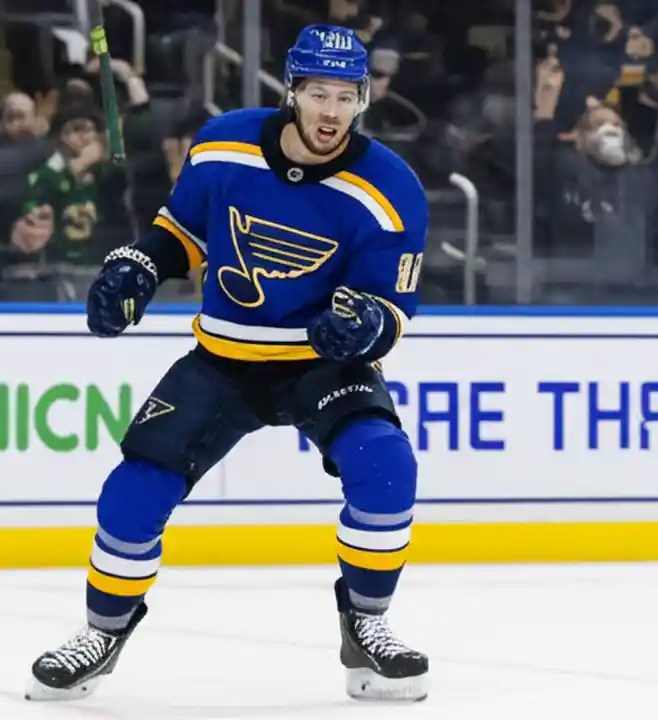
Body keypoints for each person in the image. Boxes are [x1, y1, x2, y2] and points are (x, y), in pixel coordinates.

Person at [25, 25, 430, 703]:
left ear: (362, 100)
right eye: (318, 93)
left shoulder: (391, 185)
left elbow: (393, 310)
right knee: (134, 490)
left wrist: (361, 328)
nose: (331, 112)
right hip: (224, 356)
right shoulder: (224, 143)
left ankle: (366, 626)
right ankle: (102, 632)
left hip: (319, 363)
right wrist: (140, 267)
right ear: (292, 92)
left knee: (386, 464)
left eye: (345, 97)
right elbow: (182, 232)